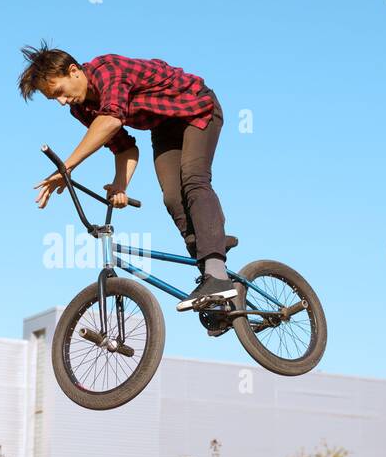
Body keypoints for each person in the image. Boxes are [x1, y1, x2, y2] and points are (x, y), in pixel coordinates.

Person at [18, 41, 235, 310]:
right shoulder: (82, 109)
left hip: (197, 108)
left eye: (60, 92)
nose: (62, 102)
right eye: (55, 99)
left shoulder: (107, 70)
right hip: (165, 125)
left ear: (74, 71)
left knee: (193, 179)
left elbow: (111, 120)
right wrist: (120, 184)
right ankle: (216, 280)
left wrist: (67, 167)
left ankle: (216, 270)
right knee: (172, 198)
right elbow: (124, 147)